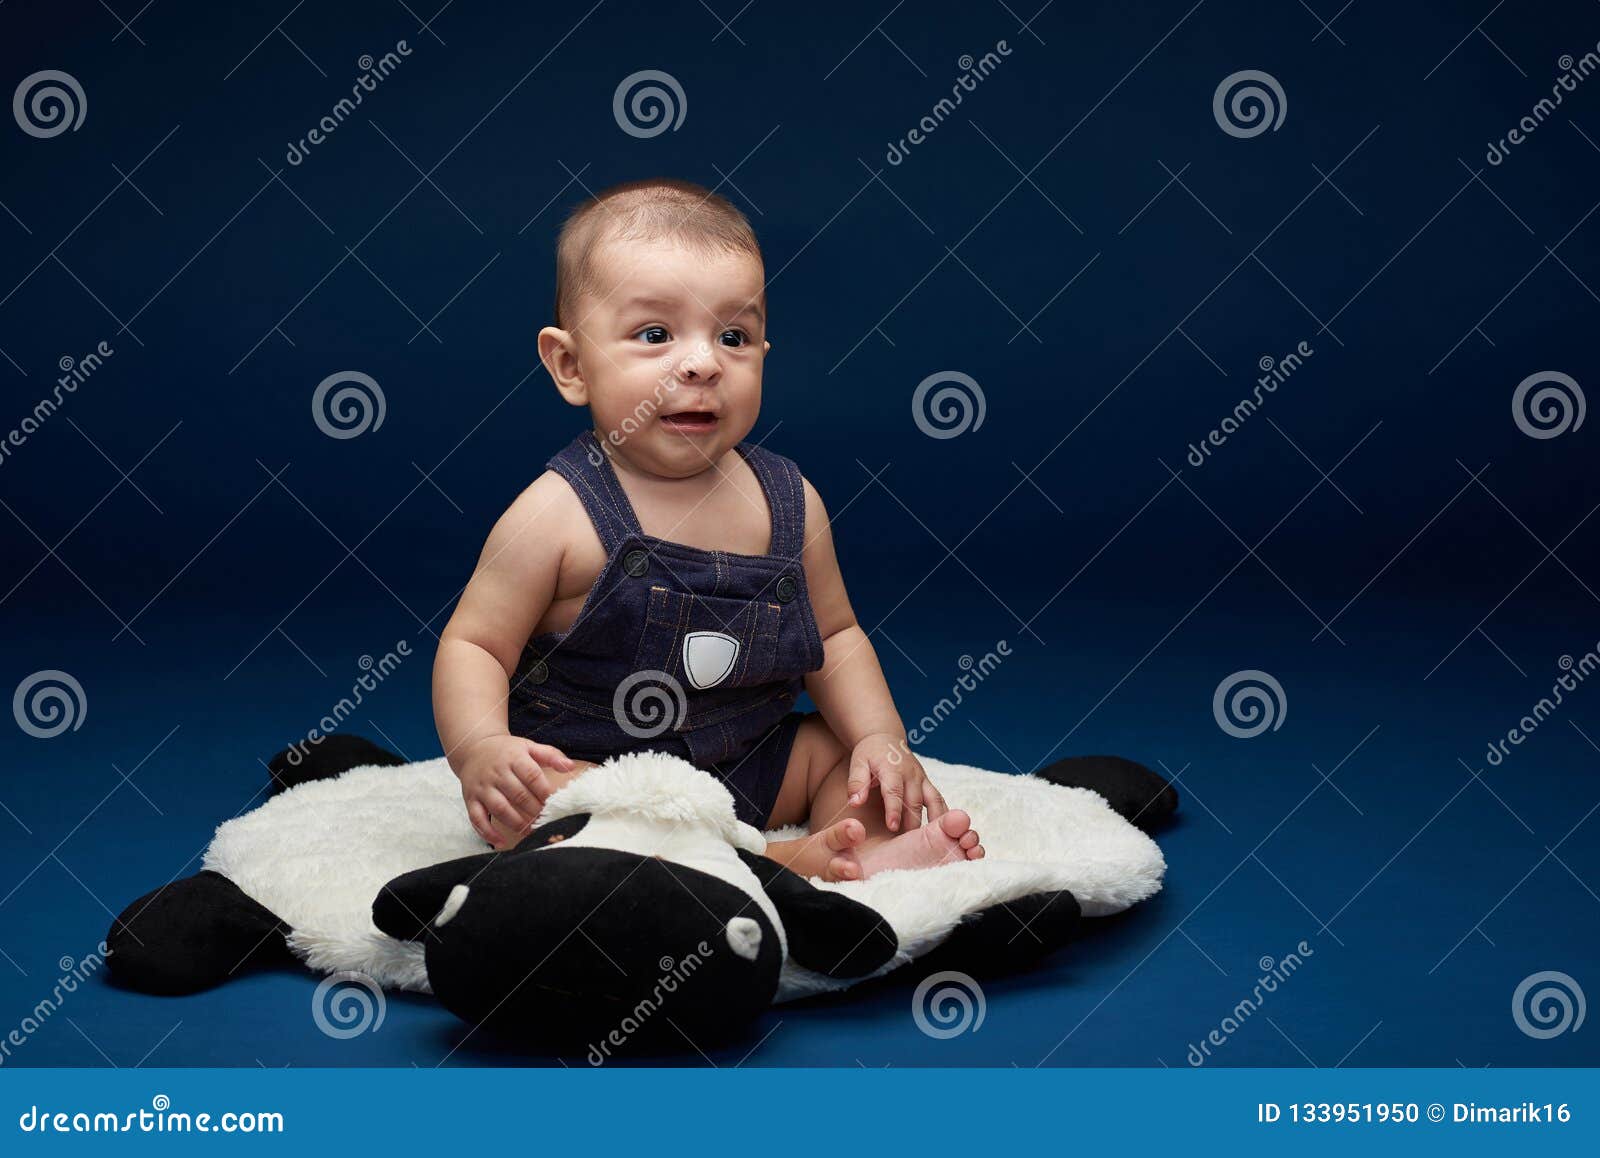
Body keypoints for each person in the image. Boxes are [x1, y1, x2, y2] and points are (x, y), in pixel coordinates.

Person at [432, 178, 985, 881]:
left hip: (752, 763)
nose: (702, 363)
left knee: (845, 758)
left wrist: (882, 738)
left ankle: (864, 843)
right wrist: (481, 748)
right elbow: (474, 643)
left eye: (734, 336)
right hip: (605, 776)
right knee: (557, 815)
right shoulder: (554, 514)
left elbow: (837, 637)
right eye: (656, 335)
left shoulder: (789, 501)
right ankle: (783, 862)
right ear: (571, 365)